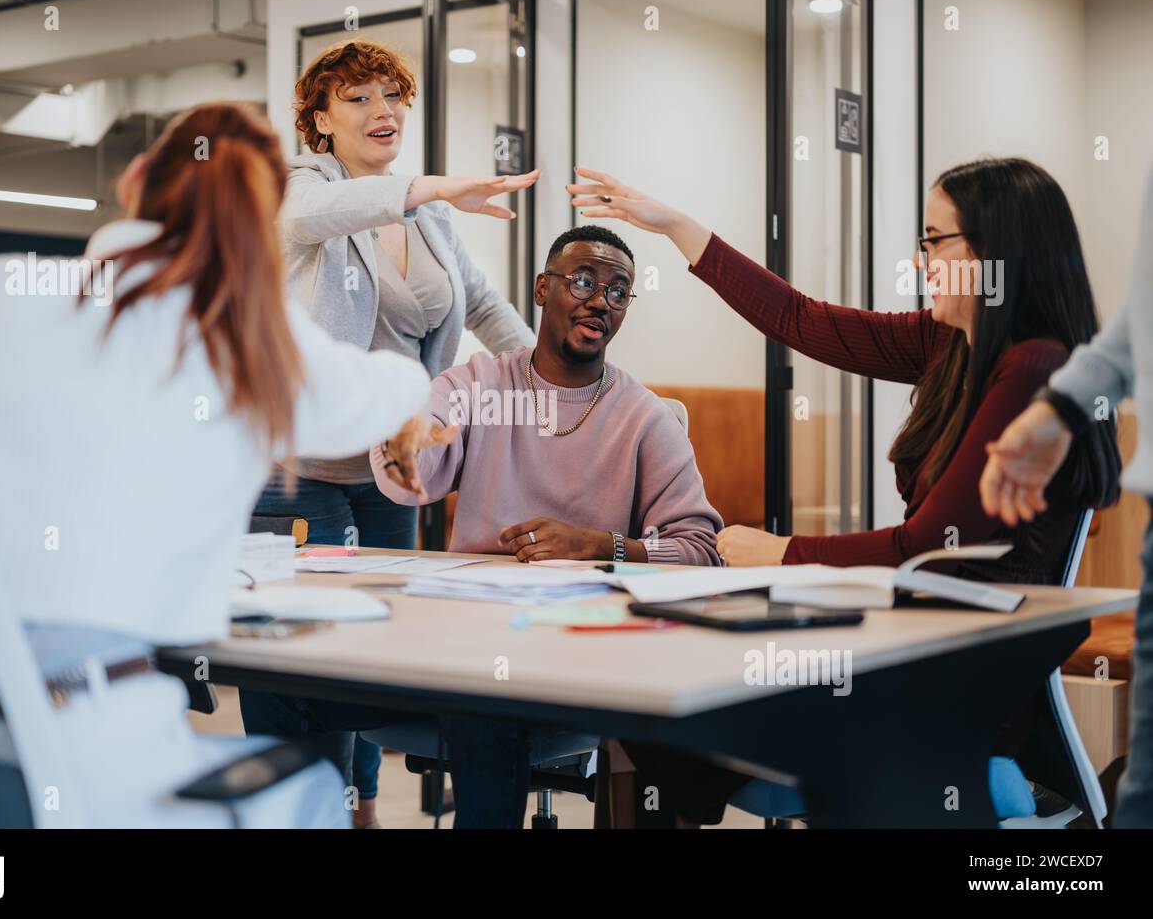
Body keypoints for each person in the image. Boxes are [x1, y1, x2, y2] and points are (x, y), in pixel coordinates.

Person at [0, 103, 432, 828]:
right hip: (81, 757)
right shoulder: (245, 336)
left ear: (132, 182)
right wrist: (414, 404)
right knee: (313, 793)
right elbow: (380, 391)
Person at [567, 157, 1121, 825]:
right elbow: (800, 319)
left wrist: (778, 552)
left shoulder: (1035, 366)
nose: (922, 262)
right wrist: (678, 227)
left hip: (958, 687)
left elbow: (922, 549)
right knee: (654, 694)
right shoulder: (953, 345)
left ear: (995, 250)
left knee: (667, 702)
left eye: (933, 240)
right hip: (914, 651)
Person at [239, 39, 538, 824]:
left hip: (389, 466)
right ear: (320, 121)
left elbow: (481, 305)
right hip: (299, 465)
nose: (385, 111)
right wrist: (422, 187)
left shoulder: (429, 215)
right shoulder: (304, 188)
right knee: (304, 652)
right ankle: (299, 807)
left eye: (393, 96)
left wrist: (556, 378)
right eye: (361, 98)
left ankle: (360, 801)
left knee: (374, 642)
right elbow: (317, 214)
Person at [375, 224, 722, 567]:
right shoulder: (478, 383)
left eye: (618, 292)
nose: (601, 302)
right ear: (542, 289)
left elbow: (700, 550)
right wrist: (401, 438)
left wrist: (599, 545)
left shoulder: (646, 417)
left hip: (596, 609)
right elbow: (408, 475)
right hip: (479, 603)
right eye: (583, 283)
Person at [980, 169, 1153, 828]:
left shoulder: (1026, 357)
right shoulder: (1025, 366)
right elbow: (1141, 313)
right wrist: (1058, 409)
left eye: (935, 240)